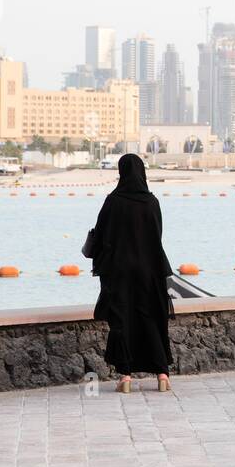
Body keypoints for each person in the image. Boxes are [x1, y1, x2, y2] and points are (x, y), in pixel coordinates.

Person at [86, 153, 174, 393]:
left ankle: (125, 377)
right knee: (152, 319)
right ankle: (162, 375)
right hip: (151, 271)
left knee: (122, 321)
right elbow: (157, 237)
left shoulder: (113, 201)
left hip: (119, 272)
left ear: (121, 172)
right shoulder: (152, 202)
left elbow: (101, 236)